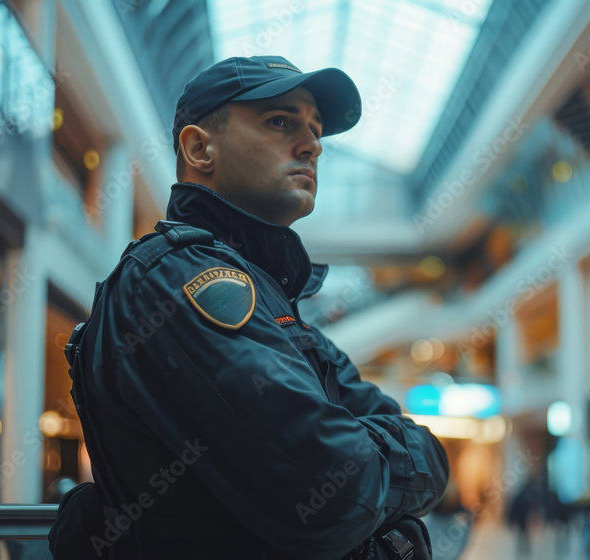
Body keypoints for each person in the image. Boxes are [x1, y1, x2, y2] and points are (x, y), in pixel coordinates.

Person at [48, 55, 449, 559]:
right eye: (279, 121)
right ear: (199, 148)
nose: (312, 145)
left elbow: (415, 445)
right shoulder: (183, 281)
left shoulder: (269, 297)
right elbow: (334, 493)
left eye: (316, 130)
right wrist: (392, 456)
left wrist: (381, 453)